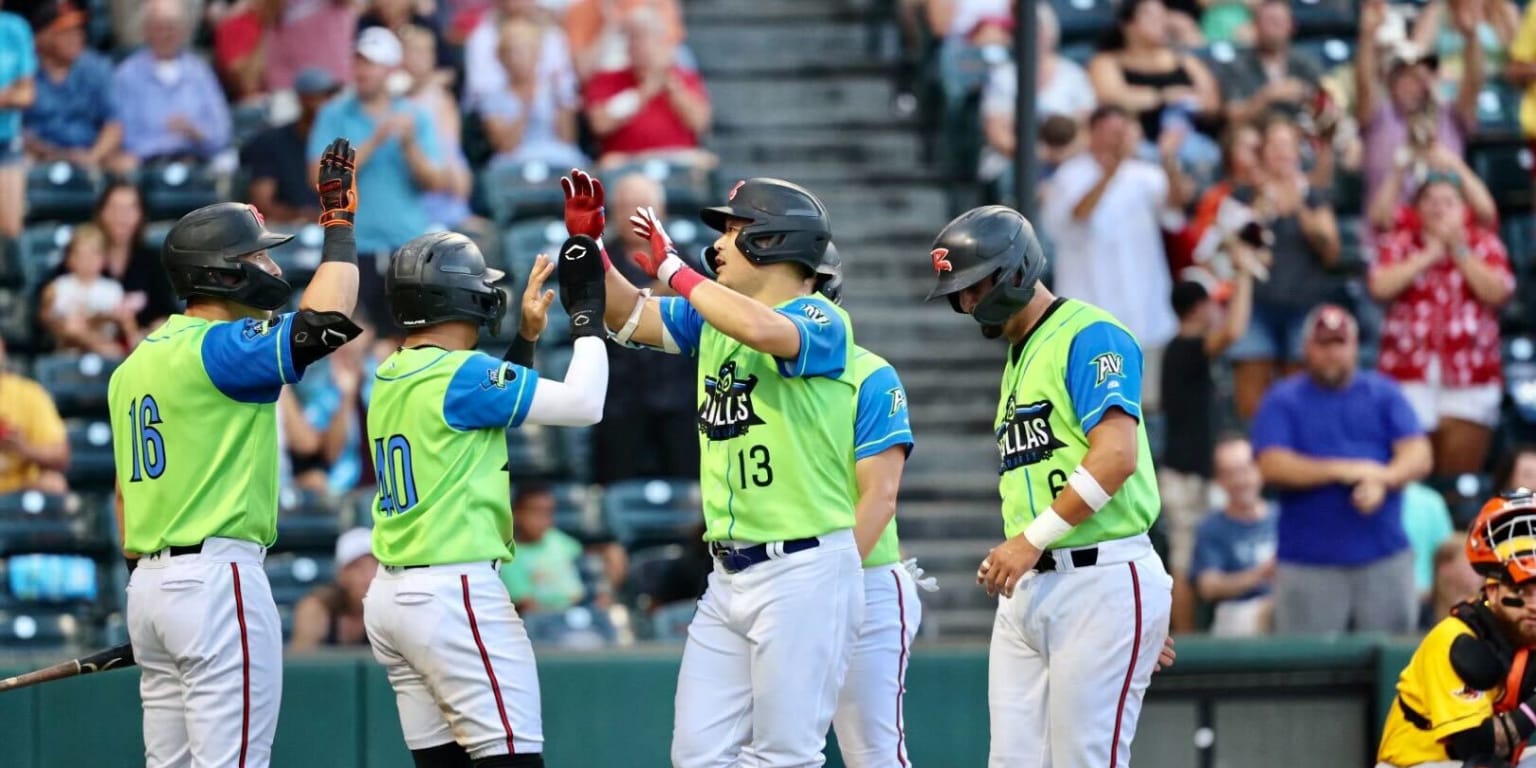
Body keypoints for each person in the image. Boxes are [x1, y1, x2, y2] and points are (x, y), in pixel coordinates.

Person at [568, 168, 864, 766]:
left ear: (773, 240)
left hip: (803, 569)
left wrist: (675, 270)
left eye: (734, 230)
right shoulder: (712, 318)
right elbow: (625, 314)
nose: (720, 243)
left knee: (785, 755)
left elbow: (763, 328)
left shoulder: (821, 318)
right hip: (728, 573)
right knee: (698, 754)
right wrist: (590, 244)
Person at [109, 138, 364, 768]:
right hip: (216, 582)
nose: (272, 267)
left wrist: (156, 596)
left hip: (150, 587)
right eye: (258, 256)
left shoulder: (132, 367)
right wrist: (338, 225)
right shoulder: (219, 347)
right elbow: (327, 321)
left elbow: (122, 495)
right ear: (221, 271)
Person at [924, 205, 1173, 767]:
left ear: (1015, 269)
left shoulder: (1089, 333)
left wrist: (1032, 542)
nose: (968, 302)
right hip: (1035, 588)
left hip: (1100, 575)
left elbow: (1117, 457)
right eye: (959, 293)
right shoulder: (1019, 356)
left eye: (975, 285)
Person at [362, 226, 608, 767]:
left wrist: (526, 340)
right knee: (511, 759)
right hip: (453, 593)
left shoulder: (390, 369)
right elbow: (585, 404)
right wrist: (588, 318)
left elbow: (483, 404)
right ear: (463, 296)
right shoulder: (461, 373)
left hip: (394, 598)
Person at [814, 246, 930, 768]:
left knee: (872, 752)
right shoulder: (752, 370)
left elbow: (880, 498)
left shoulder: (869, 373)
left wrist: (822, 584)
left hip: (864, 579)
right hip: (777, 582)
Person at [1251, 304, 1433, 635]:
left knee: (1394, 658)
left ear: (1355, 346)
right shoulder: (1283, 399)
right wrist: (1344, 469)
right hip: (1308, 561)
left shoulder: (1384, 392)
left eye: (1340, 343)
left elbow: (1419, 454)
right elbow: (1272, 464)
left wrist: (1382, 478)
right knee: (1307, 661)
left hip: (1383, 555)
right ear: (1307, 348)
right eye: (1323, 344)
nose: (1332, 353)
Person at [1377, 490, 1536, 768]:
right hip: (1419, 762)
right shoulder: (1456, 640)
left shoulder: (1525, 634)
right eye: (1520, 591)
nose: (1533, 605)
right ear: (1493, 591)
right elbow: (1476, 744)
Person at [1159, 272, 1252, 633]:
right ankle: (1185, 641)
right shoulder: (1185, 348)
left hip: (1193, 473)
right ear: (1198, 308)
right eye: (1212, 304)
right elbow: (1233, 332)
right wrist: (1244, 274)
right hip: (1185, 477)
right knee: (1183, 565)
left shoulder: (1179, 349)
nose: (1217, 311)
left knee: (1192, 562)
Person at [1190, 436, 1277, 637]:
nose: (1240, 481)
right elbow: (1208, 587)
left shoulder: (1282, 517)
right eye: (1230, 473)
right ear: (1219, 481)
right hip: (1235, 612)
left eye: (1245, 470)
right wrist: (1260, 574)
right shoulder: (1212, 526)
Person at [23, 0, 121, 170]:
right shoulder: (25, 71)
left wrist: (93, 156)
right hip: (40, 157)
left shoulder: (96, 68)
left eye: (77, 31)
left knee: (123, 166)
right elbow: (17, 129)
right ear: (41, 37)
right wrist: (51, 153)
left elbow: (114, 125)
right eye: (65, 32)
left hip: (90, 155)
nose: (75, 38)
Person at [241, 66, 335, 225]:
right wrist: (301, 216)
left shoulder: (344, 140)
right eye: (316, 97)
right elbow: (262, 202)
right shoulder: (273, 141)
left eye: (327, 97)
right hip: (288, 228)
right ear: (301, 98)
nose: (322, 104)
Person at [39, 222, 139, 355]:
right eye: (82, 256)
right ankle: (101, 347)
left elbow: (122, 319)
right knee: (73, 327)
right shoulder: (58, 287)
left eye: (93, 255)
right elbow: (47, 321)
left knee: (126, 316)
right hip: (70, 347)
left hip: (106, 339)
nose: (88, 261)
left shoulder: (112, 289)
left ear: (103, 259)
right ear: (69, 259)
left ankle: (136, 349)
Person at [499, 483, 586, 615]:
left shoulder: (557, 539)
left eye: (548, 513)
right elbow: (526, 604)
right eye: (535, 512)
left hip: (581, 612)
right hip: (543, 621)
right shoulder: (509, 556)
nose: (543, 520)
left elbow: (585, 562)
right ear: (516, 514)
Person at [0, 335, 69, 495]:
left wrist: (24, 448)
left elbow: (61, 456)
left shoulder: (29, 394)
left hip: (19, 488)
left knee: (54, 483)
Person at [289, 526, 376, 651]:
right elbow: (302, 659)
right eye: (359, 568)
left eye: (376, 565)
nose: (369, 576)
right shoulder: (316, 609)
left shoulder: (393, 612)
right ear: (342, 574)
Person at [0, 0, 36, 238]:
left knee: (11, 229)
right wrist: (7, 95)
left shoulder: (16, 28)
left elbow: (27, 94)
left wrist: (11, 96)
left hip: (6, 141)